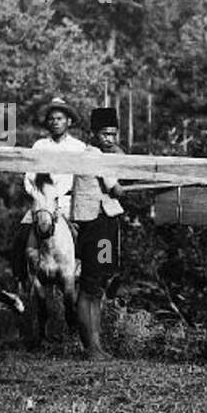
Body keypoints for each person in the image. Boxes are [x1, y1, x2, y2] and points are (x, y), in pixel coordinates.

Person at [10, 97, 87, 293]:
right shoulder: (39, 146)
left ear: (68, 121)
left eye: (59, 118)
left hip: (68, 201)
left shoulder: (79, 147)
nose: (55, 122)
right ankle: (19, 277)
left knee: (83, 233)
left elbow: (83, 179)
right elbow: (29, 177)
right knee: (22, 232)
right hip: (42, 201)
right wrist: (38, 196)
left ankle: (82, 269)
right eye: (51, 119)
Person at [71, 107, 126, 360]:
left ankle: (96, 345)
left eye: (113, 134)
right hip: (96, 224)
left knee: (99, 284)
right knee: (91, 285)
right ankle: (91, 347)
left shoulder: (103, 154)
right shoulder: (94, 155)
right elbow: (115, 189)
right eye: (105, 134)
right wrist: (122, 187)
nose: (110, 139)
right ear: (93, 133)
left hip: (104, 222)